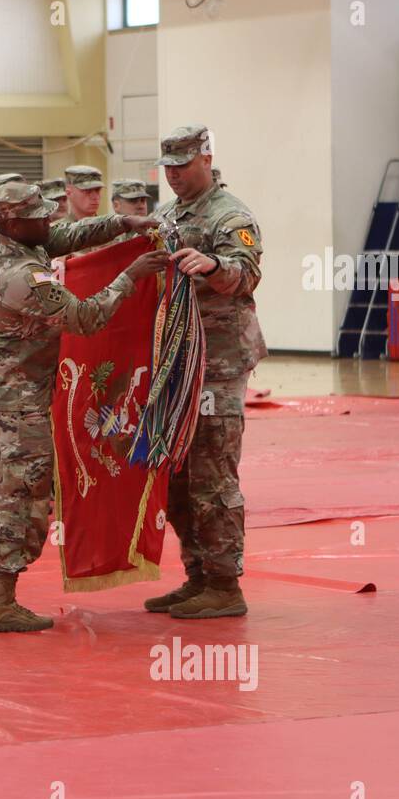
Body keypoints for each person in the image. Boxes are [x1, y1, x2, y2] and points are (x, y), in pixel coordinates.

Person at [0, 181, 162, 632]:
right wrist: (131, 275)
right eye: (38, 215)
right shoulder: (24, 277)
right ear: (12, 221)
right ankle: (2, 603)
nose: (48, 219)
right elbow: (86, 317)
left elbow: (64, 237)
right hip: (19, 403)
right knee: (23, 497)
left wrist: (122, 223)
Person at [144, 124, 266, 620]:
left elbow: (245, 273)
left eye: (182, 165)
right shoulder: (168, 214)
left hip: (217, 364)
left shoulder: (229, 214)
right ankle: (197, 576)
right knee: (175, 476)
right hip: (175, 363)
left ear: (206, 159)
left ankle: (224, 582)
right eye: (167, 166)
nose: (173, 175)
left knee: (212, 476)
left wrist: (213, 266)